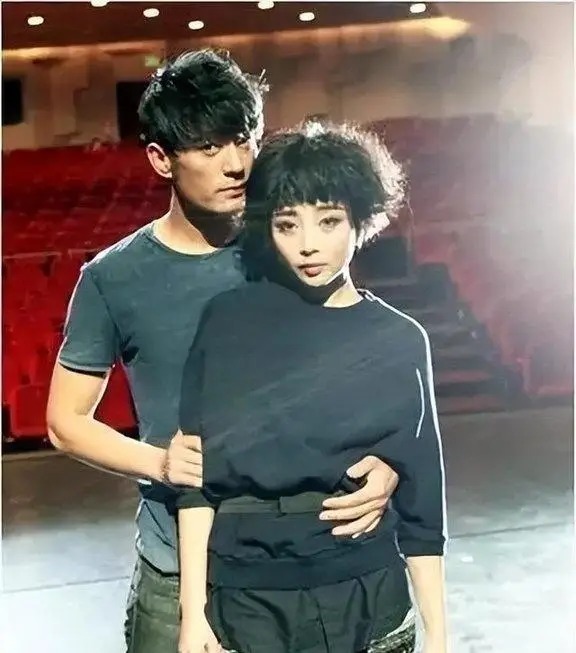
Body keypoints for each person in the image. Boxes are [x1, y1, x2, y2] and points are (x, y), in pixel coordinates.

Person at [46, 49, 402, 653]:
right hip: (178, 570)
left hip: (300, 564)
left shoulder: (294, 248)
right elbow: (65, 422)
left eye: (244, 140)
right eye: (209, 147)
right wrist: (160, 463)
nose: (236, 164)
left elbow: (360, 370)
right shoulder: (114, 277)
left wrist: (390, 458)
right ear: (161, 159)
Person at [176, 122, 448, 653]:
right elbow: (195, 480)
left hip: (366, 591)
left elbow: (423, 504)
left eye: (328, 221)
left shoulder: (399, 338)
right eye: (287, 224)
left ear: (360, 220)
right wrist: (192, 614)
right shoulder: (227, 323)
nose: (307, 245)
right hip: (248, 599)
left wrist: (438, 637)